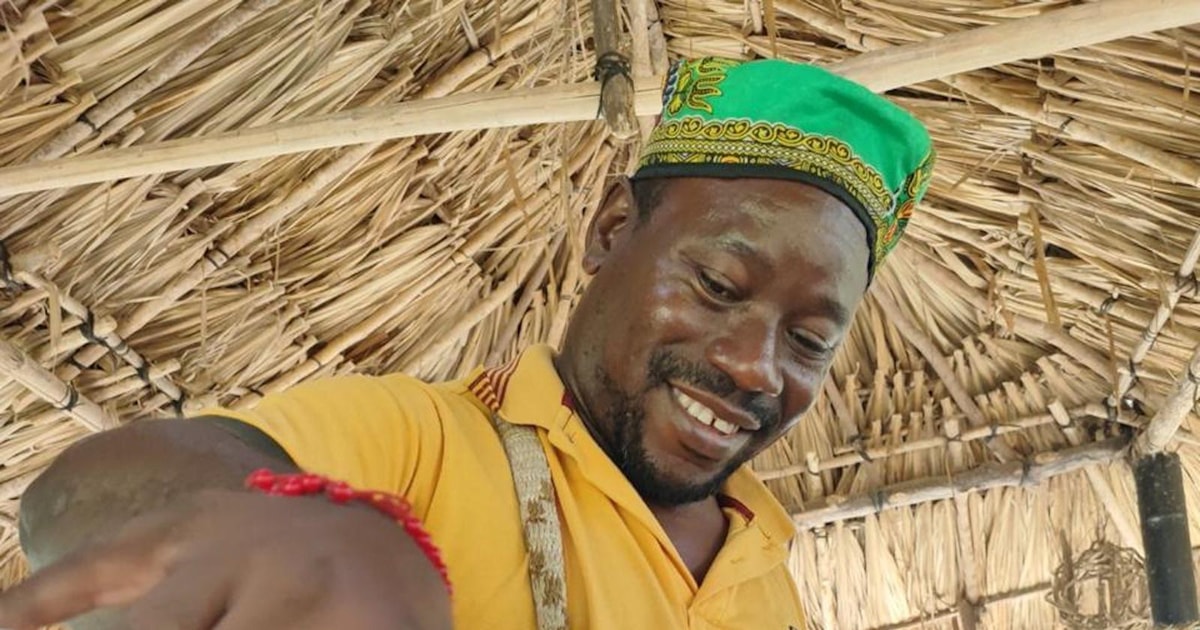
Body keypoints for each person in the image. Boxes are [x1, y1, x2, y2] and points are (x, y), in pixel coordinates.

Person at [2, 57, 934, 629]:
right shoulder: (425, 444)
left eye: (810, 340)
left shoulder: (767, 564)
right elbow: (88, 490)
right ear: (611, 230)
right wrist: (283, 532)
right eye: (718, 286)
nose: (752, 366)